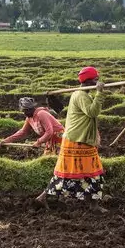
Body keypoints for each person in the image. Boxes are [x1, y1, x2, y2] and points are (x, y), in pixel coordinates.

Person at [37, 67, 105, 207]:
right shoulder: (81, 95)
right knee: (76, 172)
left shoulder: (83, 94)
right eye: (96, 79)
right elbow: (92, 112)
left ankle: (92, 203)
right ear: (89, 81)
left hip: (80, 138)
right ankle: (92, 204)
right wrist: (99, 93)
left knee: (88, 172)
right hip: (76, 140)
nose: (98, 81)